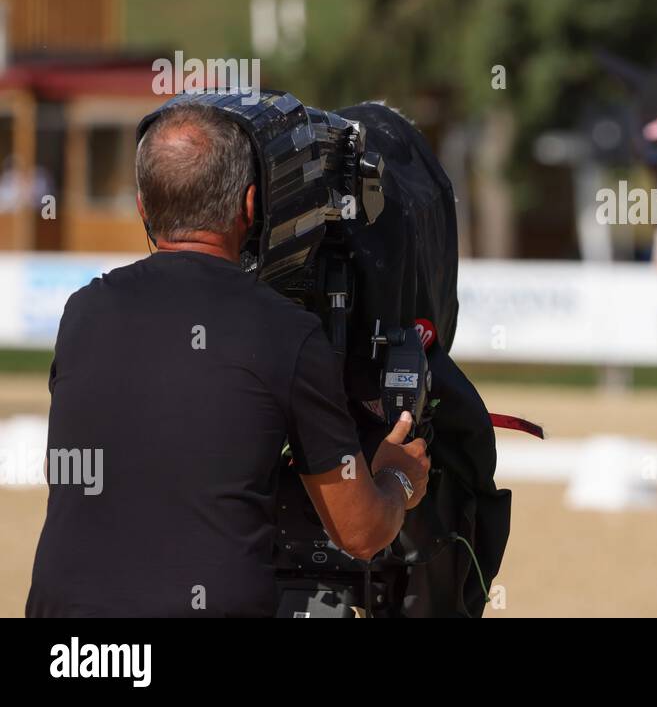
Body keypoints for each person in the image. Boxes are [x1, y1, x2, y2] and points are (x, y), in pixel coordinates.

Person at [26, 103, 431, 617]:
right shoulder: (286, 331)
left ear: (142, 208)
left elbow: (63, 470)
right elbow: (360, 533)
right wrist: (397, 479)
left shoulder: (84, 312)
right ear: (250, 204)